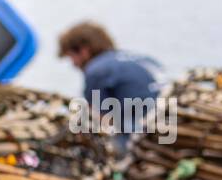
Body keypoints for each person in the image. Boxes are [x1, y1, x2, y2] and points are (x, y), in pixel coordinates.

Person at [58, 21, 162, 157]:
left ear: (84, 50)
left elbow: (102, 120)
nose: (74, 64)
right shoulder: (138, 59)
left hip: (144, 135)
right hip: (170, 127)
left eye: (72, 57)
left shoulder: (96, 71)